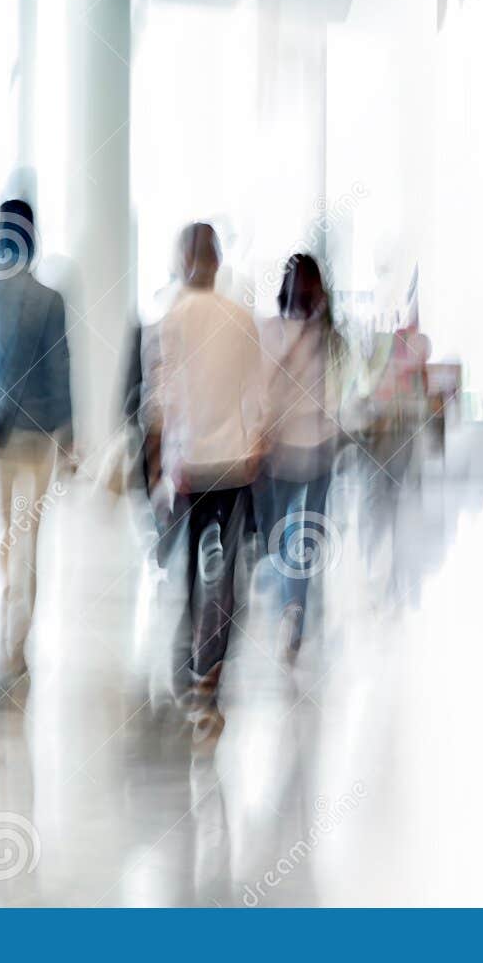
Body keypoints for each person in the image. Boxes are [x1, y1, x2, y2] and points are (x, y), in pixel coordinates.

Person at [147, 221, 267, 751]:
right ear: (217, 261)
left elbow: (164, 398)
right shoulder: (243, 319)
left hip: (191, 465)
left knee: (193, 569)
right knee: (229, 570)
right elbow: (256, 395)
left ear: (183, 260)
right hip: (235, 462)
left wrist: (159, 460)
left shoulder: (171, 320)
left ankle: (191, 663)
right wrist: (255, 444)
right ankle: (211, 669)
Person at [0, 200, 75, 694]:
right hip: (43, 429)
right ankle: (20, 635)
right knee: (32, 533)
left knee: (7, 531)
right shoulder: (50, 298)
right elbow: (61, 366)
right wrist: (69, 431)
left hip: (3, 431)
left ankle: (8, 614)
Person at [258, 253, 345, 662]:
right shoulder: (319, 333)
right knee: (301, 536)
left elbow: (266, 387)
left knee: (285, 535)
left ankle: (290, 609)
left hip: (290, 447)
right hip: (316, 446)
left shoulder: (284, 332)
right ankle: (295, 609)